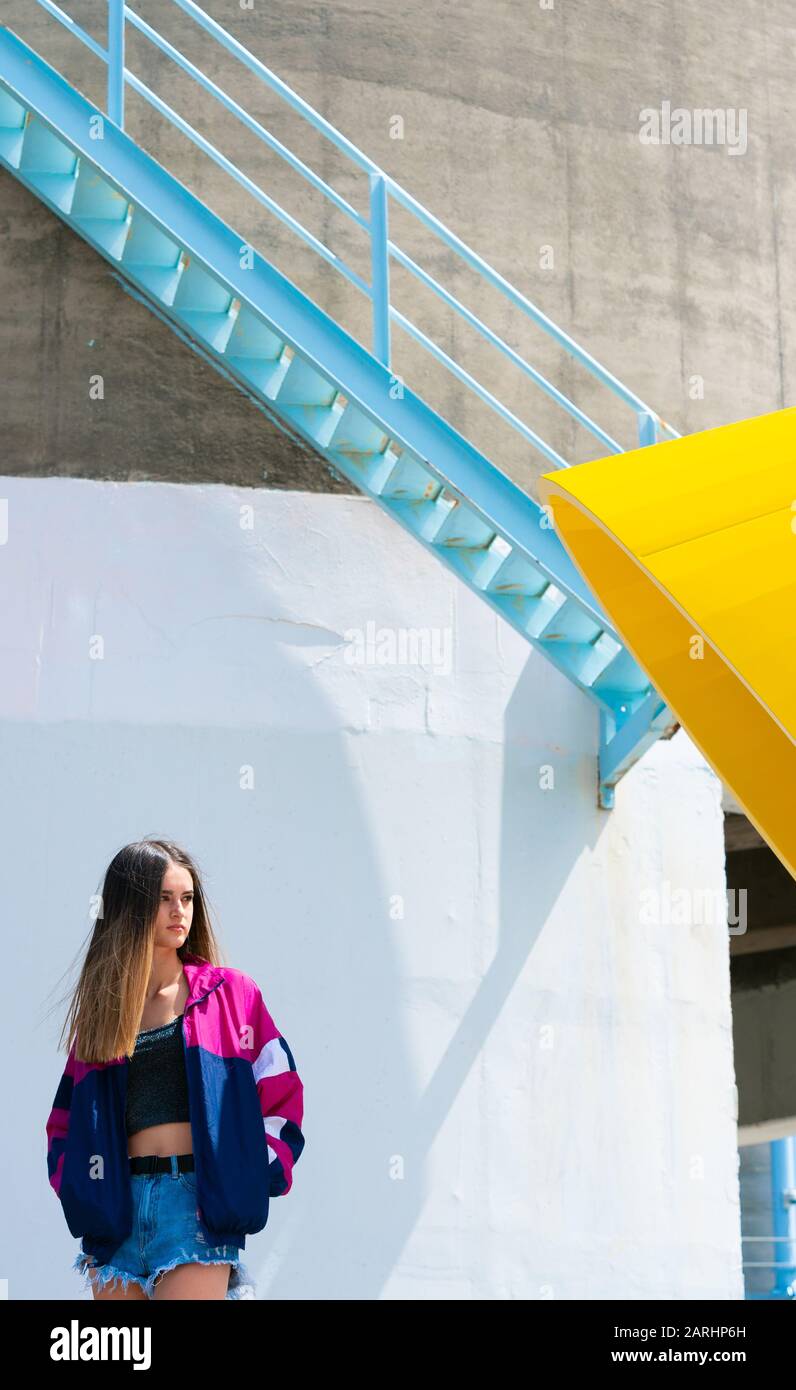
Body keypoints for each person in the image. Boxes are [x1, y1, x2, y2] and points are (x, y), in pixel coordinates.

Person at [45, 838, 305, 1300]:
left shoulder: (231, 995)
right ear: (131, 905)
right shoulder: (104, 1012)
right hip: (116, 1210)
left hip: (196, 1206)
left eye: (186, 898)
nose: (178, 911)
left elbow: (281, 1091)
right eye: (164, 898)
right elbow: (66, 1121)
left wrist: (251, 1174)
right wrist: (79, 1188)